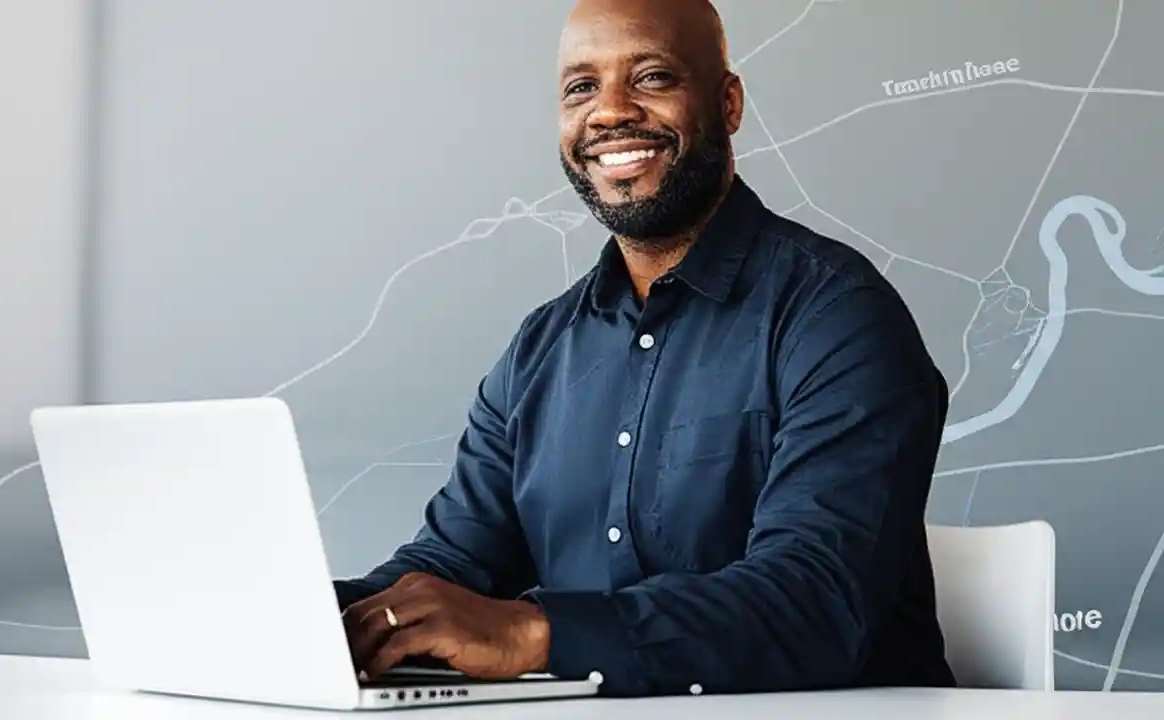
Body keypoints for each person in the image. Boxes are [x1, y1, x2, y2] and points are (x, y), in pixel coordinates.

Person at [333, 0, 956, 697]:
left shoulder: (836, 315)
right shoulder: (539, 349)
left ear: (727, 104)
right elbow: (452, 565)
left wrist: (533, 633)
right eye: (580, 88)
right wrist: (303, 617)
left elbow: (816, 604)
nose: (608, 113)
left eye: (653, 77)